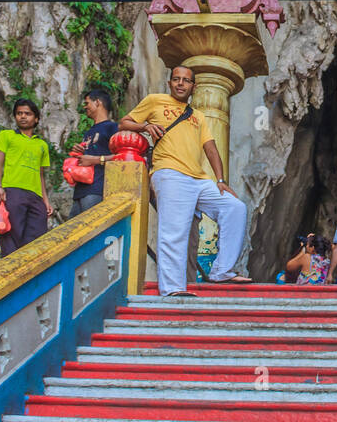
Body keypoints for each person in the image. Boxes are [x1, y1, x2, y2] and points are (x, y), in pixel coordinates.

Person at [120, 66, 251, 292]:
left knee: (235, 208)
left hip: (198, 179)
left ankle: (221, 271)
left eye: (186, 81)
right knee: (174, 231)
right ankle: (172, 288)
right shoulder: (154, 100)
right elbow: (124, 123)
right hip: (169, 173)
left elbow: (210, 148)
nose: (181, 84)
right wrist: (145, 126)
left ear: (193, 86)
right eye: (176, 79)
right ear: (170, 83)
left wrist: (220, 180)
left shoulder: (197, 115)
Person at [0, 98, 52, 257]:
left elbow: (40, 174)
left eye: (28, 114)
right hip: (13, 191)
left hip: (36, 196)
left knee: (37, 239)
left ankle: (31, 277)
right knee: (12, 236)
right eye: (19, 113)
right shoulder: (6, 136)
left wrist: (45, 200)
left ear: (36, 118)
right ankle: (11, 276)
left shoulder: (42, 145)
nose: (23, 117)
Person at [68, 89, 117, 217]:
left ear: (98, 102)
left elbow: (122, 157)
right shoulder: (89, 131)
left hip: (97, 189)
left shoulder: (112, 128)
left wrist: (95, 160)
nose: (85, 107)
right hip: (80, 190)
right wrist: (81, 152)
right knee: (72, 235)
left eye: (87, 103)